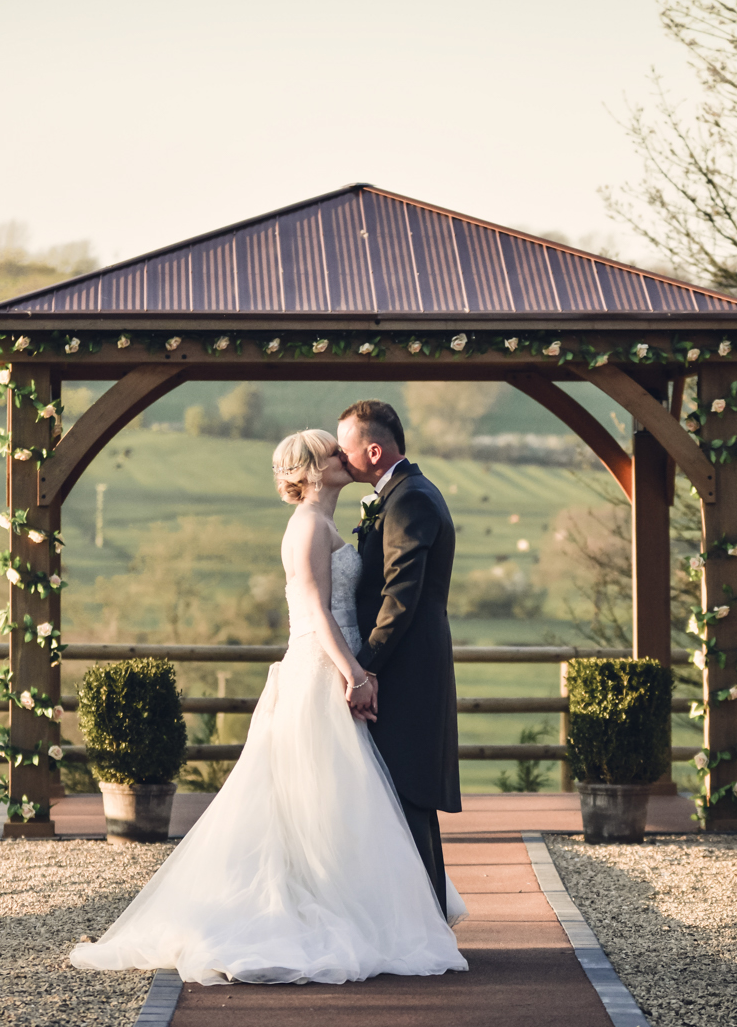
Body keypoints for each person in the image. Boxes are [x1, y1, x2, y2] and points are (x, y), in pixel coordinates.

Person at [68, 428, 466, 986]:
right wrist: (354, 671)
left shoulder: (327, 522)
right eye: (330, 452)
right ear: (309, 471)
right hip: (320, 667)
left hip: (340, 665)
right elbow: (313, 612)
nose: (340, 455)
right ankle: (303, 914)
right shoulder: (305, 527)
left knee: (341, 802)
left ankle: (355, 906)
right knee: (315, 799)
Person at [334, 400, 460, 910]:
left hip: (406, 670)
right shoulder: (402, 495)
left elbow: (400, 598)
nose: (340, 459)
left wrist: (365, 667)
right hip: (404, 666)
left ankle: (422, 920)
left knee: (406, 790)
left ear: (373, 449)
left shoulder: (410, 501)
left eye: (345, 449)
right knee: (396, 793)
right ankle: (414, 917)